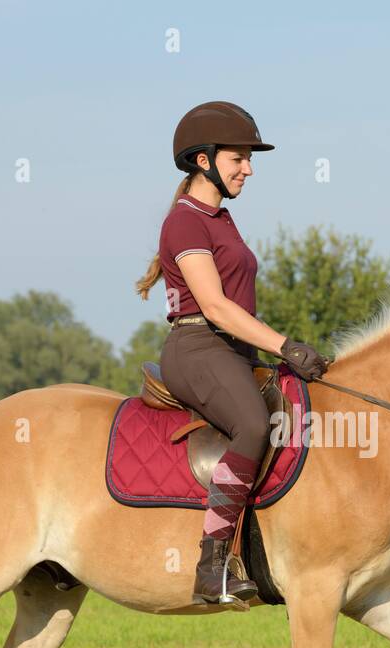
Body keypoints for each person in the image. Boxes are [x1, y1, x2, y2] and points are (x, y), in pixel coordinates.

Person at [135, 101, 329, 605]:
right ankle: (212, 565)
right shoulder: (185, 222)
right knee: (252, 423)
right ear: (204, 161)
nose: (248, 168)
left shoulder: (222, 219)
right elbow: (217, 307)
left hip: (232, 350)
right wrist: (285, 345)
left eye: (249, 159)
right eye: (238, 158)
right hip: (197, 346)